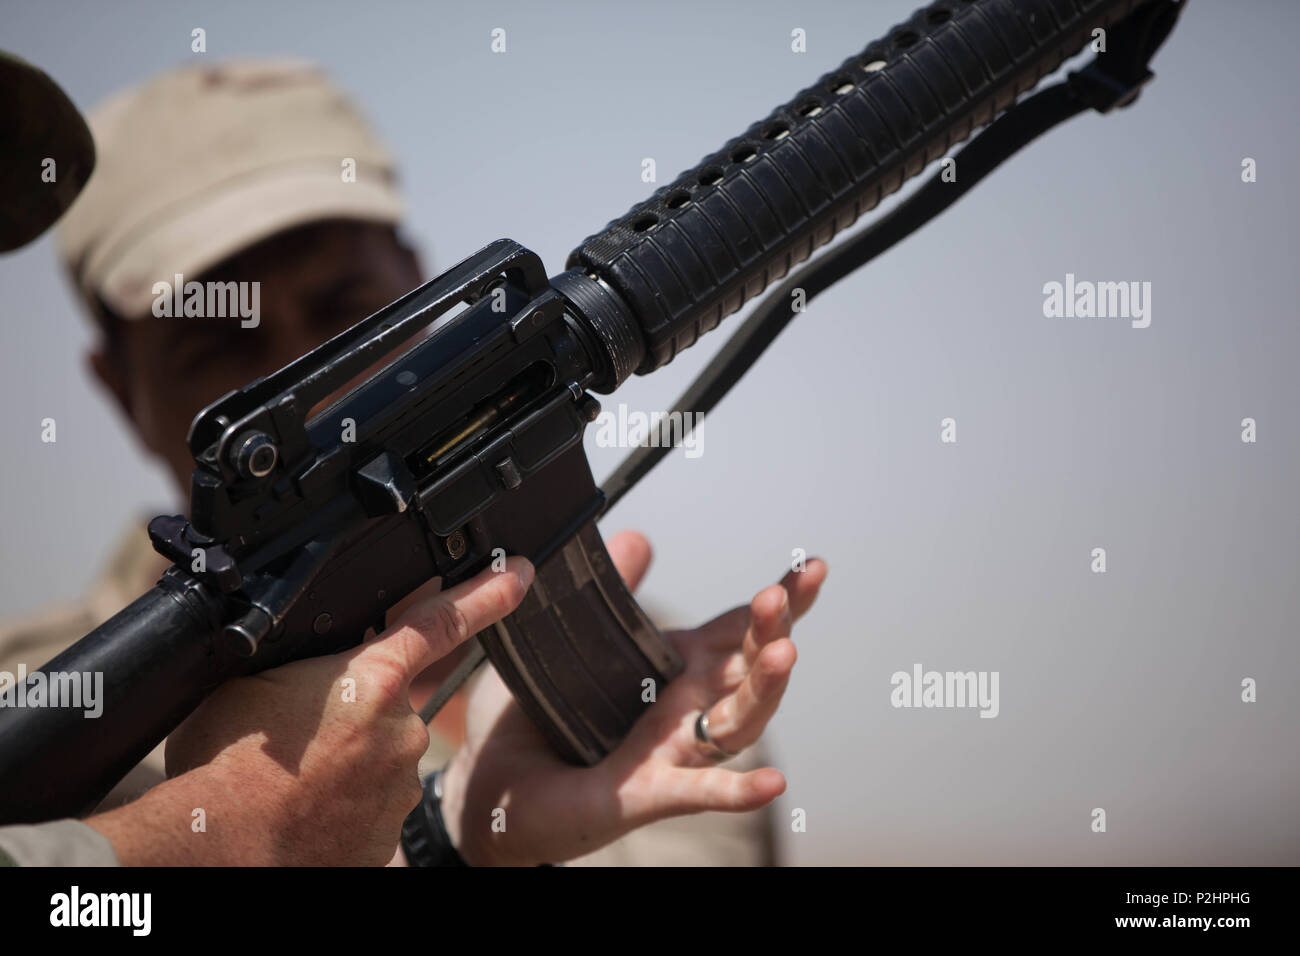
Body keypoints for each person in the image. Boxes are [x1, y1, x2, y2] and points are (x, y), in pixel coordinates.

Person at [0, 58, 827, 865]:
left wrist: (453, 837)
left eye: (345, 309)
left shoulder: (626, 696)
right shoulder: (31, 704)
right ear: (118, 389)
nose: (305, 382)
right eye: (219, 338)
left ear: (423, 289)